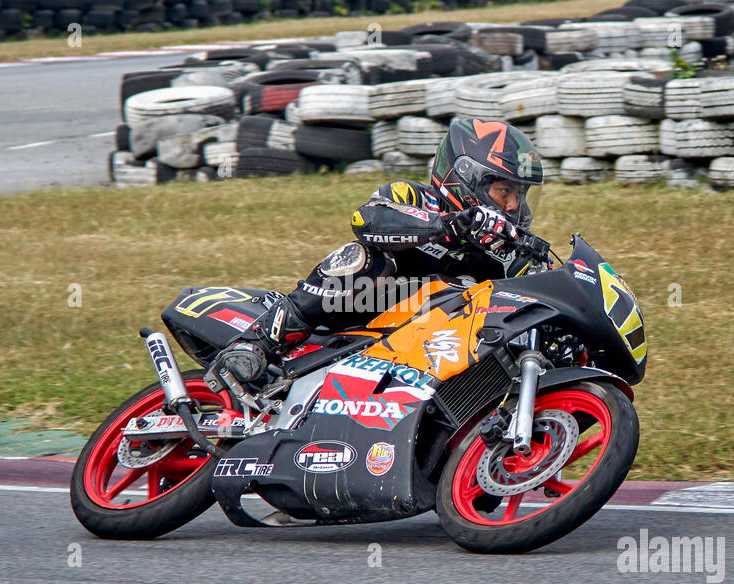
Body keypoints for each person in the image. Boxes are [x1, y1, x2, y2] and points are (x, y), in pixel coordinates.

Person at [204, 116, 549, 394]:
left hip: (425, 347)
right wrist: (450, 226)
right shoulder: (410, 195)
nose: (514, 205)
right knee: (364, 259)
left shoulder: (499, 248)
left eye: (520, 193)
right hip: (358, 311)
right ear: (465, 178)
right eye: (505, 190)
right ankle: (257, 343)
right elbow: (366, 220)